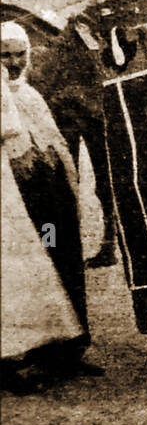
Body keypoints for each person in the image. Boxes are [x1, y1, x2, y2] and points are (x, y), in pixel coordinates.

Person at [1, 23, 102, 391]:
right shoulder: (3, 97)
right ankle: (36, 354)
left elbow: (55, 140)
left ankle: (72, 350)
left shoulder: (29, 93)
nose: (14, 62)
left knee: (67, 258)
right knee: (35, 269)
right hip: (20, 197)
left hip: (52, 188)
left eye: (19, 53)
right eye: (5, 54)